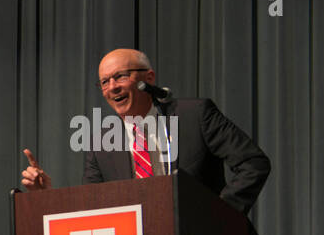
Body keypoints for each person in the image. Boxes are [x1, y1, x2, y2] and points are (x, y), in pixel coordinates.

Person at [21, 48, 271, 214]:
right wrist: (48, 196)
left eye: (120, 77)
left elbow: (253, 163)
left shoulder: (194, 115)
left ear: (149, 78)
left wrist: (217, 217)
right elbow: (93, 209)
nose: (111, 88)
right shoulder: (101, 146)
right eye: (104, 82)